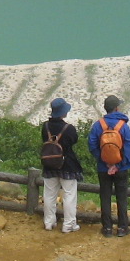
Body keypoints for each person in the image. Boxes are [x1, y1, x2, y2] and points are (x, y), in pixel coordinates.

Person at [89, 95, 130, 237]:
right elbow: (128, 146)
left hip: (104, 167)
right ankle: (122, 228)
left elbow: (92, 145)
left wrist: (105, 161)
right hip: (121, 168)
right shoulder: (123, 126)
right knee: (121, 197)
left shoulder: (99, 125)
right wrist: (119, 163)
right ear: (117, 108)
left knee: (105, 196)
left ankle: (107, 228)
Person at [39, 97, 82, 233]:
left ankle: (49, 222)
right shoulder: (69, 129)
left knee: (49, 194)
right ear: (63, 112)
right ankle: (68, 224)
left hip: (49, 164)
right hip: (67, 165)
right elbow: (73, 141)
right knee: (69, 195)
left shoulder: (45, 127)